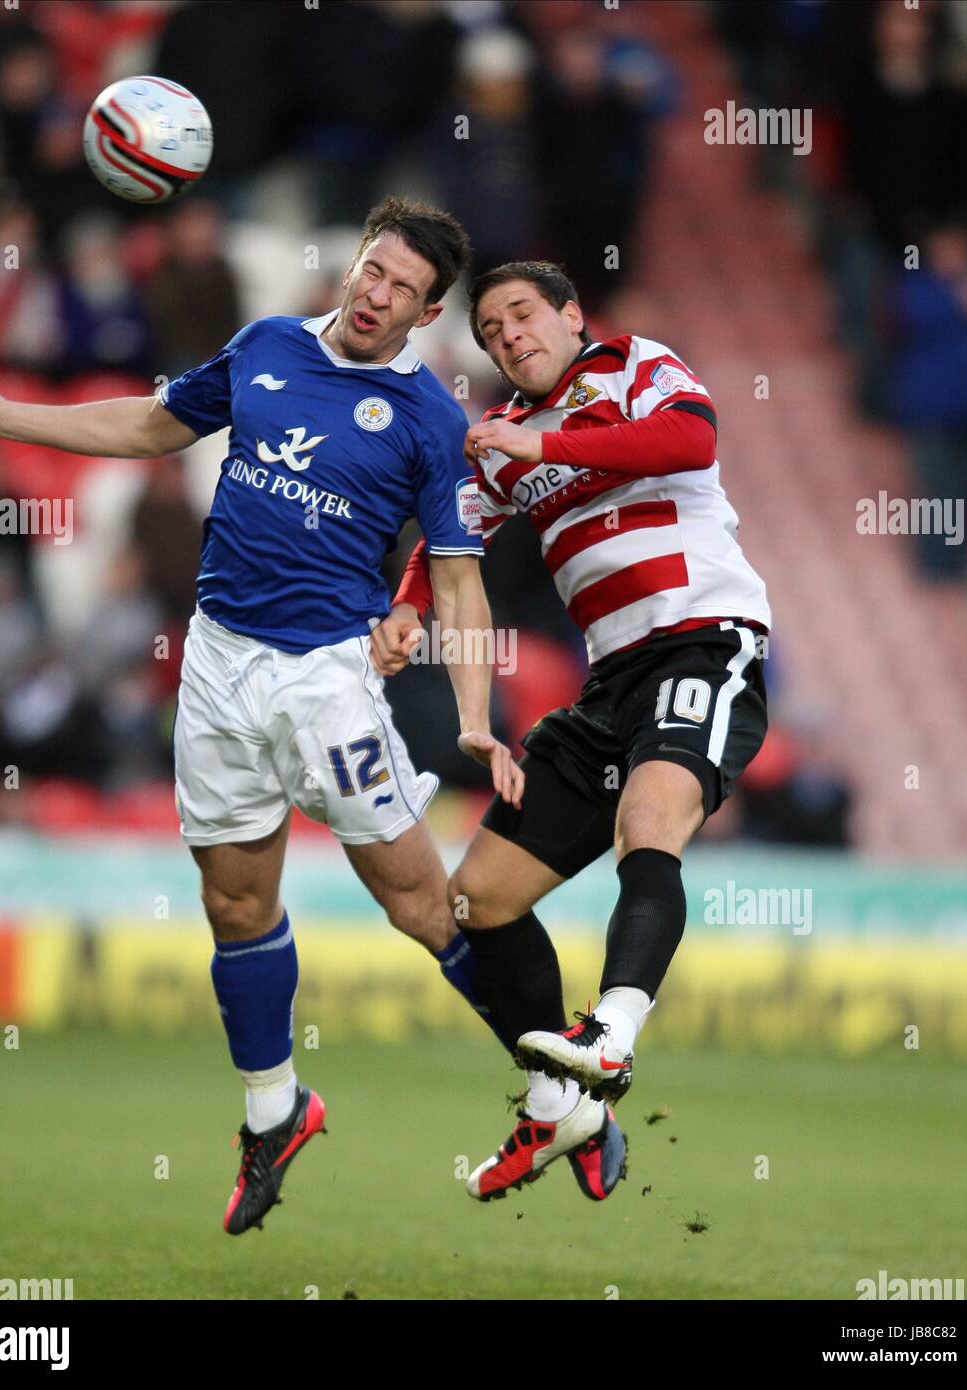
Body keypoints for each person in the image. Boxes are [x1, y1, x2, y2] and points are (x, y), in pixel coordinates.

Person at [0, 198, 537, 1235]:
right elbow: (155, 423)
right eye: (368, 268)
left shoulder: (433, 420)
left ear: (425, 312)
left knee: (422, 906)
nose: (372, 292)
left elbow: (459, 579)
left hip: (325, 678)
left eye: (399, 287)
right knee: (234, 904)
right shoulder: (263, 347)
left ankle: (561, 1089)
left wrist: (476, 713)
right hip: (216, 662)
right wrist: (7, 414)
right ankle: (275, 1111)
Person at [372, 261, 771, 1200]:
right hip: (609, 686)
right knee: (479, 899)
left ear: (570, 315)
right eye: (492, 329)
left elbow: (689, 437)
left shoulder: (635, 365)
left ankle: (611, 1035)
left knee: (651, 817)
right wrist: (405, 608)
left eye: (522, 315)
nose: (508, 334)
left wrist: (543, 445)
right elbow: (449, 538)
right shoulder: (510, 441)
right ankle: (564, 1106)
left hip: (703, 644)